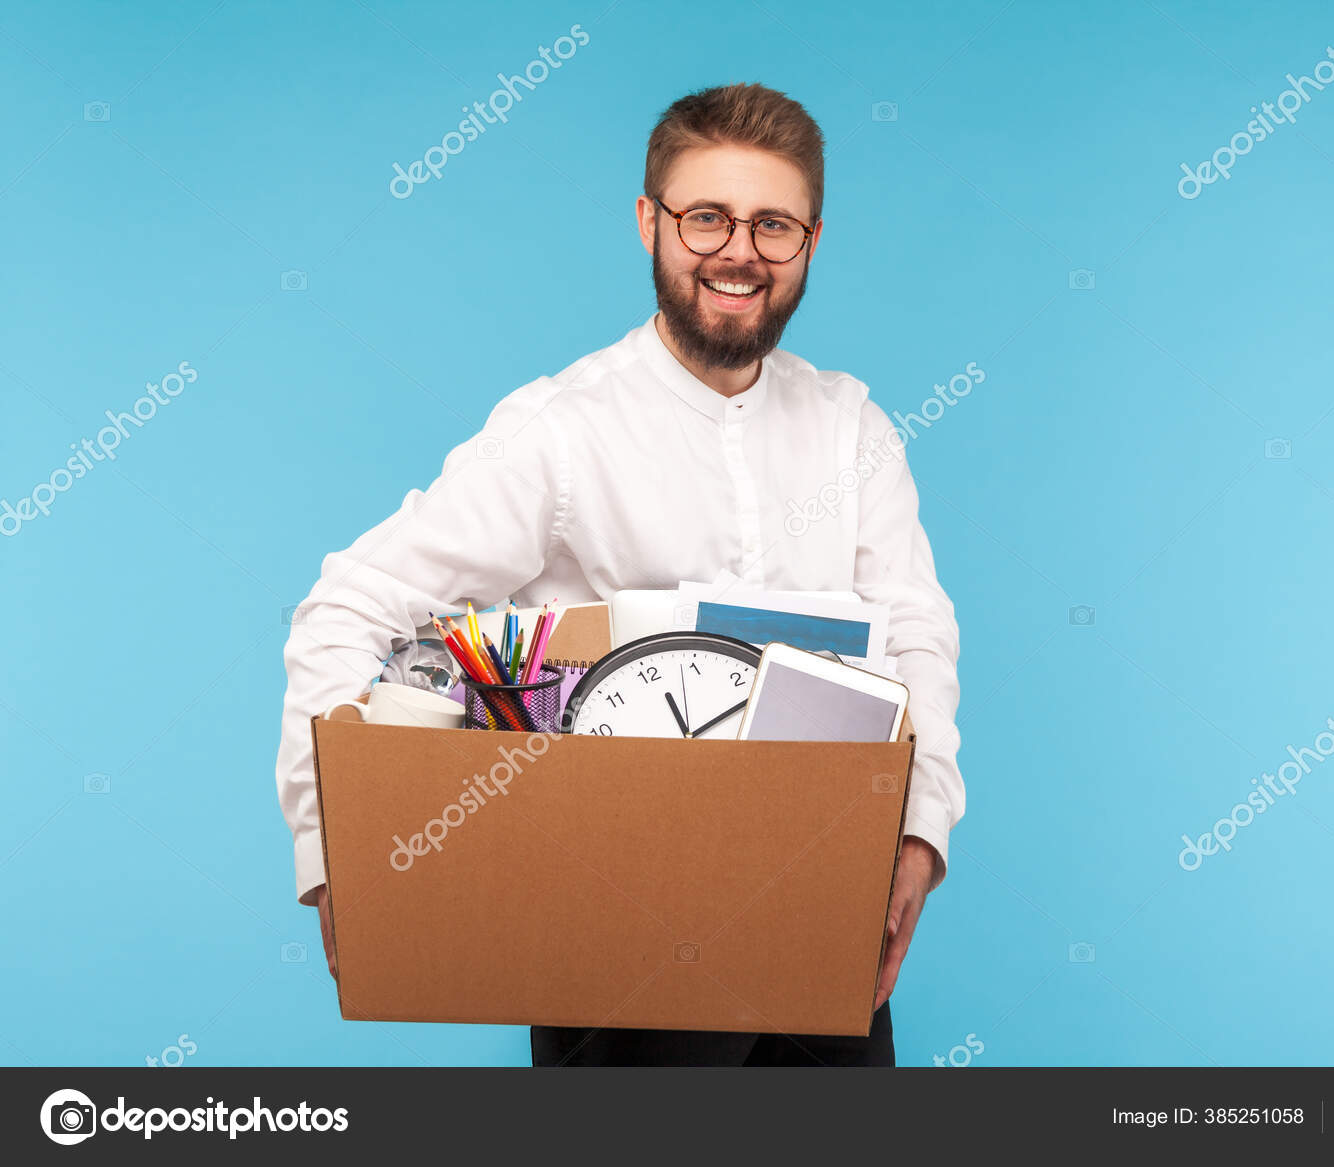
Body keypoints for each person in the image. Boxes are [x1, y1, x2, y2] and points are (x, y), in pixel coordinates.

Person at [275, 82, 963, 1066]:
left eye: (772, 224)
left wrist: (922, 831)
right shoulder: (561, 433)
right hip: (616, 950)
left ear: (811, 238)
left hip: (822, 927)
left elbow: (913, 638)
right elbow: (348, 605)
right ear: (650, 222)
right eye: (706, 218)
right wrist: (340, 852)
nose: (739, 252)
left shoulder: (854, 429)